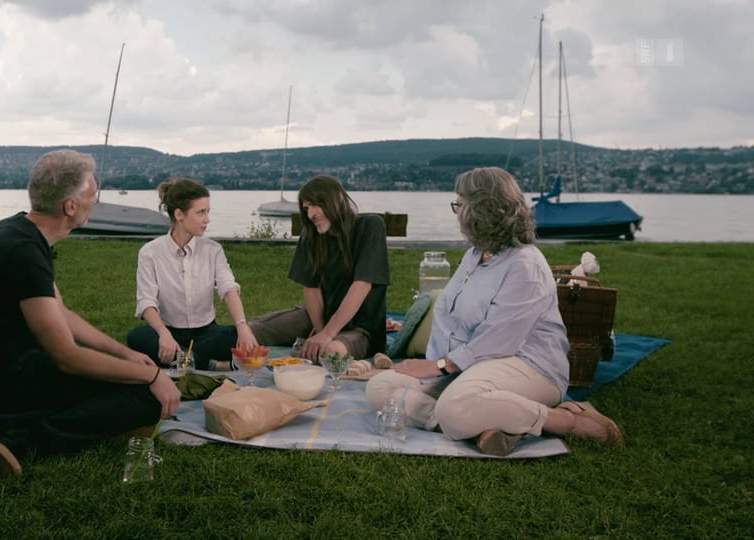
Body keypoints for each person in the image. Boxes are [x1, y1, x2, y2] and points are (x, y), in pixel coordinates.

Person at [366, 167, 624, 456]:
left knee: (453, 408)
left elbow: (500, 341)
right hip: (469, 366)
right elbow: (451, 321)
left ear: (480, 210)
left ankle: (565, 420)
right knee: (381, 389)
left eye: (459, 204)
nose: (456, 212)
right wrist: (438, 365)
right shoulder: (475, 255)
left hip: (528, 366)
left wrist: (439, 366)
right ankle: (490, 425)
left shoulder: (525, 265)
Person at [0, 149, 180, 476]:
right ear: (70, 206)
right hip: (2, 383)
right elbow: (67, 357)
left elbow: (62, 313)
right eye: (93, 194)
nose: (97, 200)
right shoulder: (23, 252)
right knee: (145, 398)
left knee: (127, 384)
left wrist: (125, 354)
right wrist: (153, 375)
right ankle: (18, 441)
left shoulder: (21, 232)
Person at [249, 175, 390, 361]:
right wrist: (321, 331)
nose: (311, 214)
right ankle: (214, 361)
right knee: (249, 331)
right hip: (318, 319)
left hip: (361, 329)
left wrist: (327, 335)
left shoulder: (370, 226)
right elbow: (311, 289)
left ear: (337, 199)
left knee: (330, 353)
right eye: (307, 208)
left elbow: (362, 285)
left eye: (316, 205)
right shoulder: (311, 235)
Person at [127, 177, 259, 371]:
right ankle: (212, 365)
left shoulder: (213, 250)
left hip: (206, 333)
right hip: (169, 332)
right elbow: (146, 301)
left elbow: (228, 287)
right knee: (137, 337)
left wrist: (242, 326)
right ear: (179, 214)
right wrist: (163, 333)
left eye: (207, 212)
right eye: (200, 213)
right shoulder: (150, 252)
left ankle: (184, 361)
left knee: (236, 336)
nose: (207, 219)